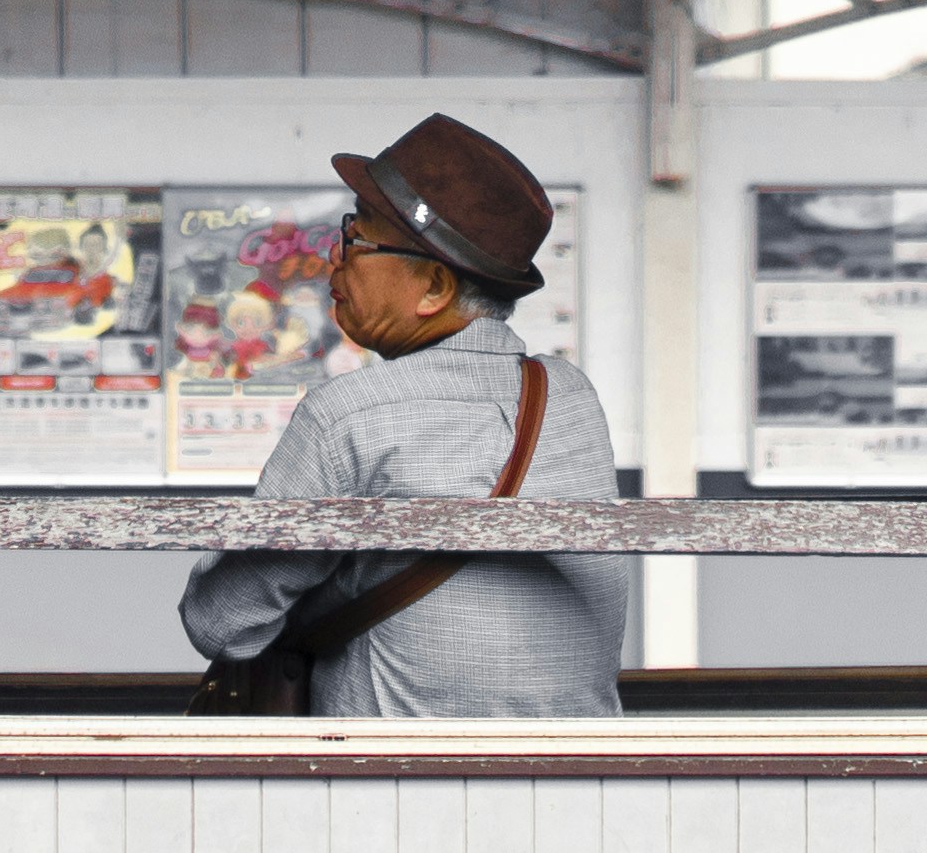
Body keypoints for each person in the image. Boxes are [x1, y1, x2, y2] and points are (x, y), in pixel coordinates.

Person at [178, 111, 628, 717]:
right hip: (582, 777)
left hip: (399, 789)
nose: (333, 259)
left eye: (357, 238)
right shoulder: (572, 398)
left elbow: (223, 624)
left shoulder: (349, 414)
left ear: (435, 289)